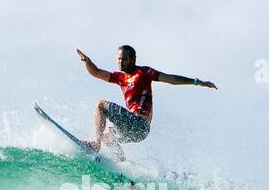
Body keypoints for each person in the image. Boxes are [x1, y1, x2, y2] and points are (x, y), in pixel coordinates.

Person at [75, 45, 217, 155]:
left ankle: (95, 144)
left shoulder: (144, 72)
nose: (120, 62)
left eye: (124, 59)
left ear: (132, 59)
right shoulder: (120, 78)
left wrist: (197, 81)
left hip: (139, 124)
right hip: (136, 132)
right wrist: (87, 62)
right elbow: (97, 72)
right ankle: (123, 165)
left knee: (101, 105)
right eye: (119, 59)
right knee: (107, 136)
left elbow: (171, 79)